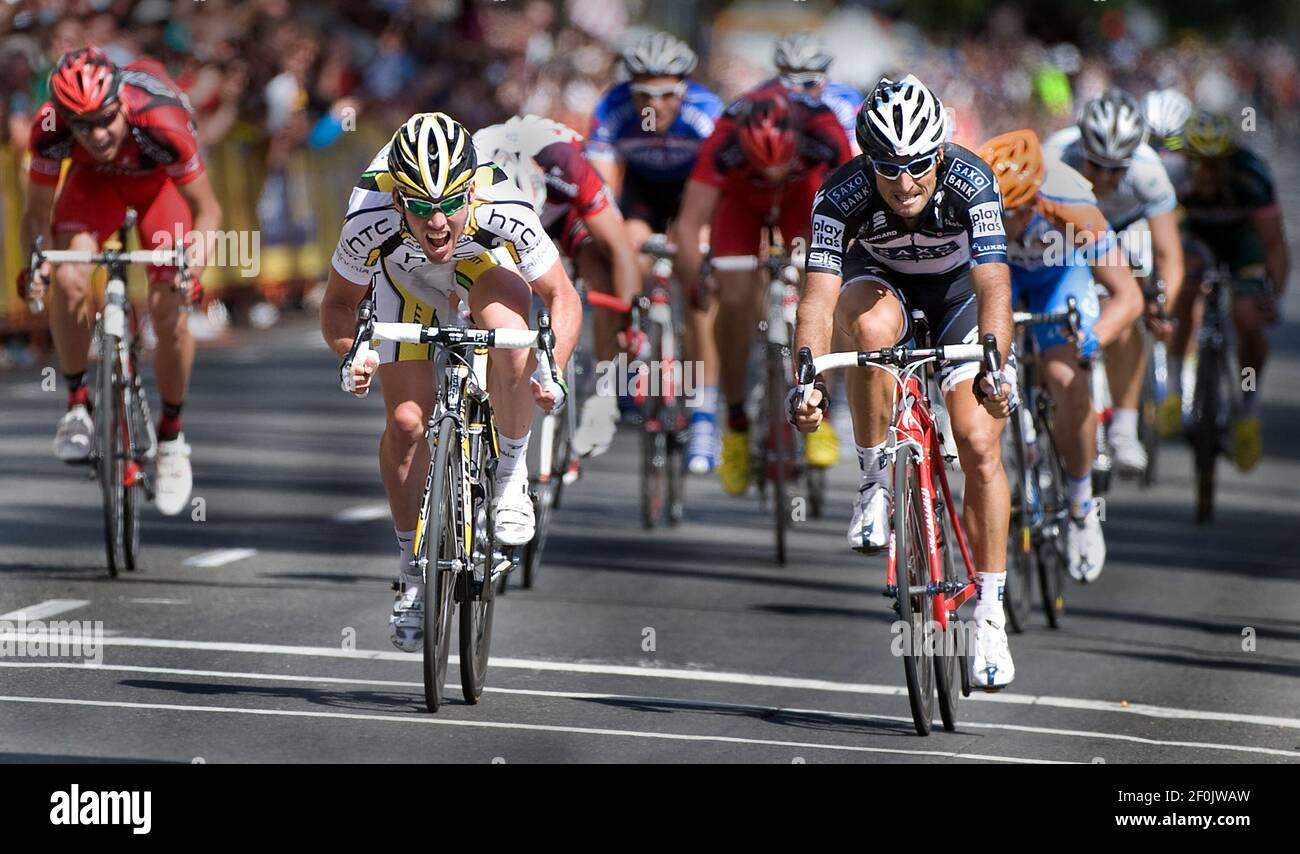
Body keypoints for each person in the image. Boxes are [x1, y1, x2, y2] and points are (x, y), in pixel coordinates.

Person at [320, 112, 581, 652]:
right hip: (404, 279)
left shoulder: (502, 204)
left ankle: (510, 477)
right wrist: (353, 356)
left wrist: (553, 366)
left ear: (469, 192)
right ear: (398, 201)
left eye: (448, 205)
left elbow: (562, 296)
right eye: (419, 207)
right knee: (407, 422)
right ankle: (412, 572)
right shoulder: (366, 212)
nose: (436, 222)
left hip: (483, 263)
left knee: (510, 334)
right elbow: (340, 306)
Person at [791, 75, 1016, 689]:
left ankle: (990, 615)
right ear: (869, 161)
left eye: (918, 165)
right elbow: (815, 300)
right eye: (889, 168)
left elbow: (995, 287)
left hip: (959, 297)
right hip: (879, 284)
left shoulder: (974, 182)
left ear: (939, 153)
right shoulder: (840, 194)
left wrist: (995, 365)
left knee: (975, 439)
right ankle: (873, 480)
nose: (906, 182)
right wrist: (805, 380)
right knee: (869, 327)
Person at [20, 46, 222, 516]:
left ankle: (171, 439)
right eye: (81, 125)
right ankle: (76, 406)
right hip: (92, 188)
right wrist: (38, 263)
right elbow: (34, 215)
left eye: (106, 119)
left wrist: (196, 259)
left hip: (158, 190)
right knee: (69, 277)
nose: (97, 133)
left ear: (122, 103)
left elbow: (209, 210)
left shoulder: (161, 121)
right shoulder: (49, 129)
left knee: (170, 303)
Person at [980, 129, 1144, 581]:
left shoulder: (1070, 202)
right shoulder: (972, 203)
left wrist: (1094, 336)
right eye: (995, 212)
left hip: (1059, 279)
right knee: (984, 358)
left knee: (1067, 377)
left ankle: (1080, 506)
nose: (1003, 222)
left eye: (1011, 214)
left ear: (1034, 202)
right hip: (1003, 279)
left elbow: (1128, 296)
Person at [673, 84, 850, 496]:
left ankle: (821, 401)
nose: (771, 172)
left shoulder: (823, 129)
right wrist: (695, 281)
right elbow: (689, 221)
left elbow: (854, 204)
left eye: (779, 163)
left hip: (801, 201)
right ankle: (735, 422)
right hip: (741, 206)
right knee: (732, 299)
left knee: (824, 290)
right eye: (761, 164)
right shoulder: (724, 137)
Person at [587, 32, 725, 471]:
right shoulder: (611, 109)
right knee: (623, 255)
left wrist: (701, 241)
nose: (655, 105)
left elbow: (720, 192)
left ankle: (703, 412)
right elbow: (602, 191)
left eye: (667, 94)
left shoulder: (706, 114)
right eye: (644, 92)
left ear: (685, 89)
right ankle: (628, 366)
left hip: (694, 195)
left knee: (700, 289)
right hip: (642, 197)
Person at [473, 115, 641, 458]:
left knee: (600, 265)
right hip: (494, 219)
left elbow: (620, 248)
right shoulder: (476, 162)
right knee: (494, 279)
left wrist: (628, 321)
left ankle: (603, 393)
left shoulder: (564, 162)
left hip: (561, 215)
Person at [1044, 89, 1184, 476]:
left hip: (1124, 228)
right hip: (1070, 229)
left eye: (1116, 169)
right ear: (1082, 148)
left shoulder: (1148, 171)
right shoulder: (1055, 156)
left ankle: (1124, 425)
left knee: (1127, 307)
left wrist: (1161, 307)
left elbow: (1170, 255)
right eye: (1096, 164)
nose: (1106, 177)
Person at [1160, 111, 1289, 470]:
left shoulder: (1252, 176)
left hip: (1241, 242)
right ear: (1186, 159)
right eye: (1199, 164)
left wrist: (1271, 293)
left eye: (1216, 165)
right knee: (1182, 291)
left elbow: (1275, 244)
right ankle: (1174, 390)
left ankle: (1247, 410)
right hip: (1195, 237)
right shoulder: (1170, 176)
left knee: (1247, 314)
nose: (1207, 174)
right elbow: (1164, 239)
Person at [771, 31, 864, 154]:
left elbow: (854, 152)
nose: (797, 88)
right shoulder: (763, 97)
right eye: (788, 80)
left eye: (808, 81)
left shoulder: (846, 99)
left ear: (824, 76)